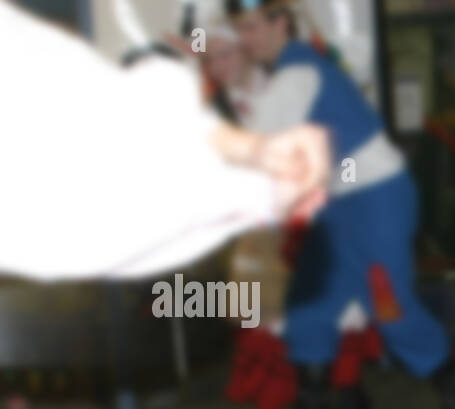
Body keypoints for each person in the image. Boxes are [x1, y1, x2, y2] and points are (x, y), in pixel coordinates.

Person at [228, 0, 455, 409]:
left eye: (253, 28)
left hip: (376, 201)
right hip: (337, 206)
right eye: (240, 31)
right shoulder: (288, 75)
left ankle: (451, 384)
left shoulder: (297, 74)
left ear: (280, 23)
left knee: (388, 306)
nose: (247, 40)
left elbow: (260, 145)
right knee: (309, 303)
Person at [0, 0, 327, 282]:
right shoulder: (213, 100)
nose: (219, 65)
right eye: (212, 59)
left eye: (227, 54)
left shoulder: (288, 81)